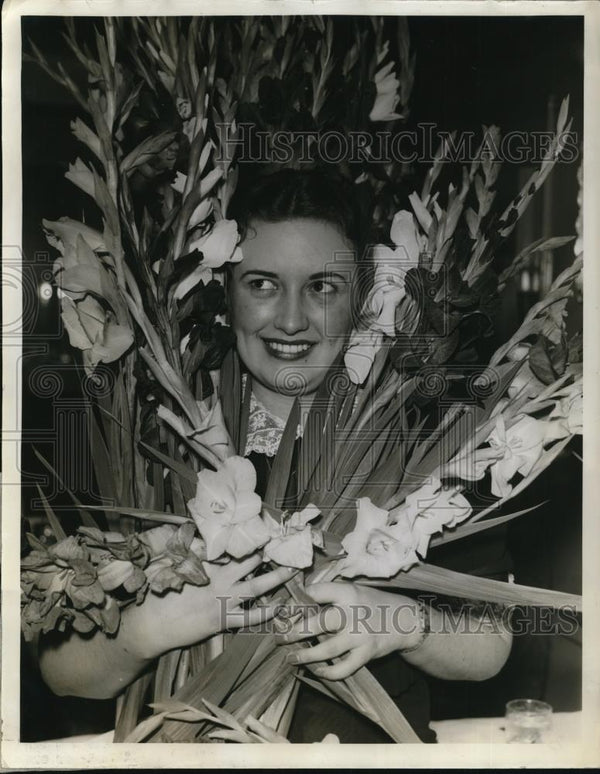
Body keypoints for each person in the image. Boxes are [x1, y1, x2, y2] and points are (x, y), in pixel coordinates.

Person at [37, 168, 512, 742]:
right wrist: (145, 631)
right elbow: (60, 671)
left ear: (362, 298)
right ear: (226, 292)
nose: (290, 320)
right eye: (262, 284)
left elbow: (492, 644)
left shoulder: (420, 427)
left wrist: (401, 622)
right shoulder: (146, 429)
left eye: (323, 287)